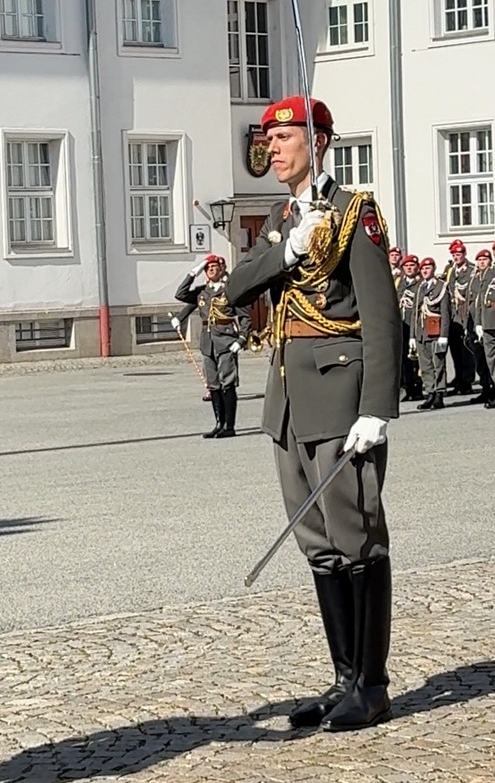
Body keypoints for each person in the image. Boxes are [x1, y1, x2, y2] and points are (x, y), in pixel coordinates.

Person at [226, 96, 400, 733]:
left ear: (317, 141)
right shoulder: (281, 219)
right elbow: (236, 288)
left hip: (340, 401)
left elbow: (381, 316)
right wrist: (287, 251)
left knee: (356, 538)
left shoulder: (356, 213)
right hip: (288, 405)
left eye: (285, 136)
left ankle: (373, 685)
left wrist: (377, 406)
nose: (272, 148)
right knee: (319, 546)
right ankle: (343, 678)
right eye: (268, 139)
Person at [172, 254, 250, 438]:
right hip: (207, 342)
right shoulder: (202, 291)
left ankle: (229, 426)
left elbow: (245, 316)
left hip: (226, 340)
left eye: (214, 267)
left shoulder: (230, 291)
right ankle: (218, 423)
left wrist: (241, 339)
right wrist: (194, 272)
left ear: (222, 270)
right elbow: (181, 294)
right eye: (208, 268)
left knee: (227, 383)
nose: (211, 271)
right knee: (213, 384)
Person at [411, 257, 450, 411]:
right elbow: (415, 313)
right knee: (425, 365)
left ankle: (439, 393)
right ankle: (430, 392)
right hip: (422, 332)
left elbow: (446, 313)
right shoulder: (420, 287)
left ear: (433, 269)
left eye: (428, 268)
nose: (425, 271)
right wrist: (412, 336)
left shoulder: (441, 287)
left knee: (438, 363)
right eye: (423, 269)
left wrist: (444, 335)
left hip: (435, 331)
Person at [443, 240, 475, 395]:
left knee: (466, 348)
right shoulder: (450, 271)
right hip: (453, 315)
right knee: (455, 349)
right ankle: (459, 377)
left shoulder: (471, 270)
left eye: (459, 254)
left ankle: (467, 381)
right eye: (454, 255)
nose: (457, 257)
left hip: (466, 313)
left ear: (464, 254)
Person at [467, 249, 495, 405]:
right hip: (481, 322)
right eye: (479, 260)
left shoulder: (491, 275)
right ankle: (486, 389)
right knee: (483, 359)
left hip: (491, 322)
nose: (482, 262)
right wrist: (475, 323)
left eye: (485, 259)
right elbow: (476, 303)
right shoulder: (477, 278)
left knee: (492, 359)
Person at [394, 254, 422, 402]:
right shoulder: (400, 282)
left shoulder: (420, 283)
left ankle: (418, 387)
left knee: (417, 359)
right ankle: (408, 386)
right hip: (402, 324)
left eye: (412, 265)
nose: (409, 268)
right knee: (404, 357)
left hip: (416, 324)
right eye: (407, 266)